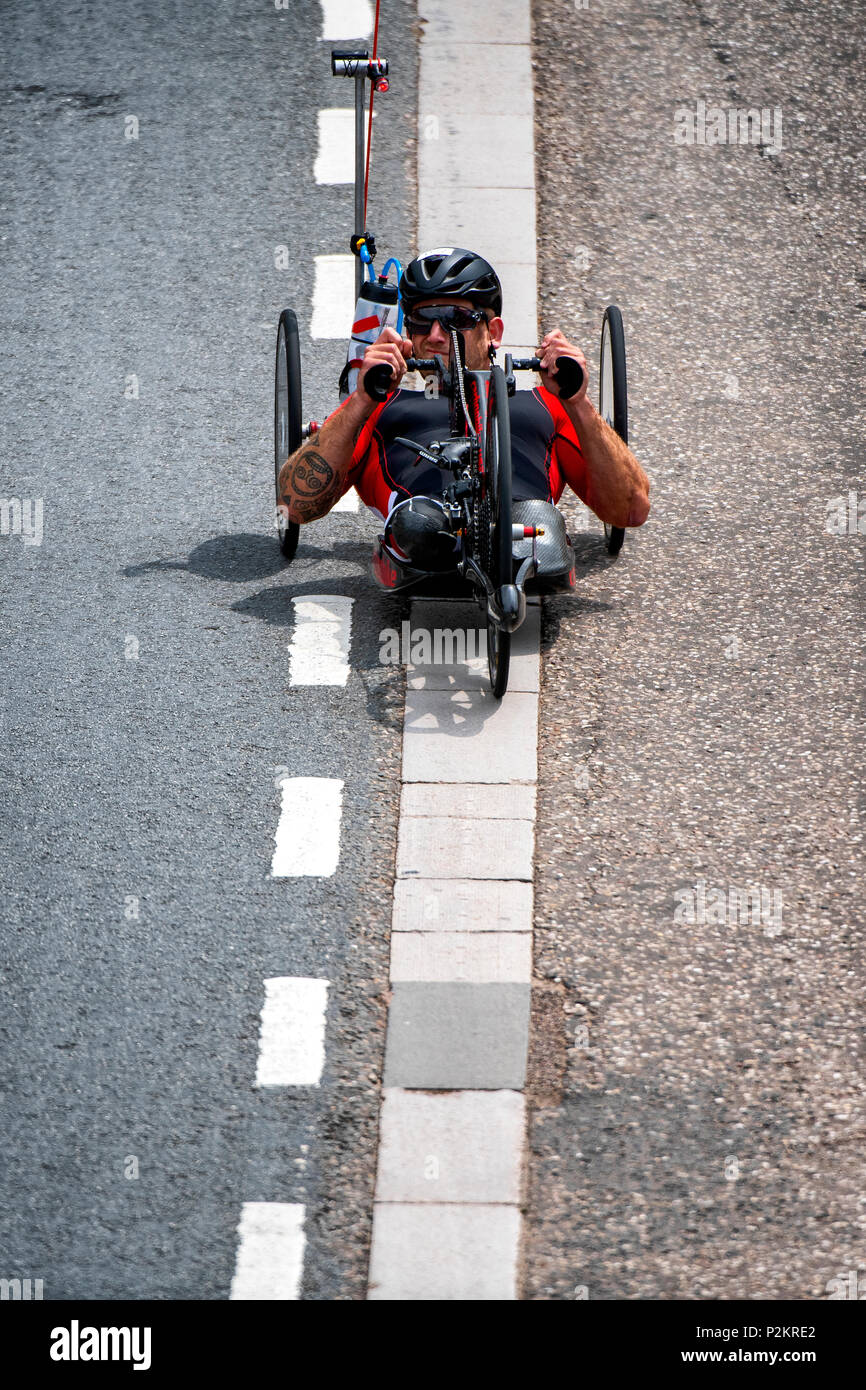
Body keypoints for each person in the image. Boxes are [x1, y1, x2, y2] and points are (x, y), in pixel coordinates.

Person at [277, 247, 649, 582]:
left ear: (494, 332)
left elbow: (631, 509)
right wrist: (361, 399)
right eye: (422, 321)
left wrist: (578, 403)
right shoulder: (379, 407)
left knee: (540, 526)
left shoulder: (545, 404)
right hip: (423, 525)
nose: (437, 335)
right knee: (421, 524)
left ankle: (508, 544)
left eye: (456, 318)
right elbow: (294, 506)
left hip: (527, 527)